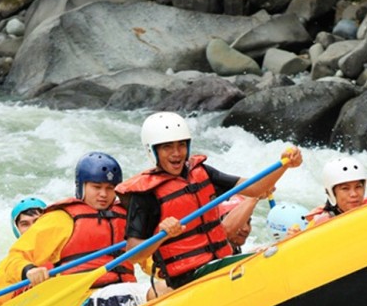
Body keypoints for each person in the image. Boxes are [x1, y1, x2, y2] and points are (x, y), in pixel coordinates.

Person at [0, 152, 138, 306]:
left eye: (37, 222)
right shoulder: (14, 264)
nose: (33, 228)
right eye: (25, 224)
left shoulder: (110, 223)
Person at [118, 111, 303, 295]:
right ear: (153, 150)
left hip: (219, 262)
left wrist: (285, 165)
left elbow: (255, 188)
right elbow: (133, 253)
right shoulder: (145, 194)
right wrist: (161, 234)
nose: (176, 153)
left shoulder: (202, 172)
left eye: (181, 145)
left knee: (271, 257)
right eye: (167, 147)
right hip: (188, 277)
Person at [305, 156, 367, 226]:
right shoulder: (322, 224)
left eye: (358, 187)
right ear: (331, 193)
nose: (354, 194)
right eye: (345, 188)